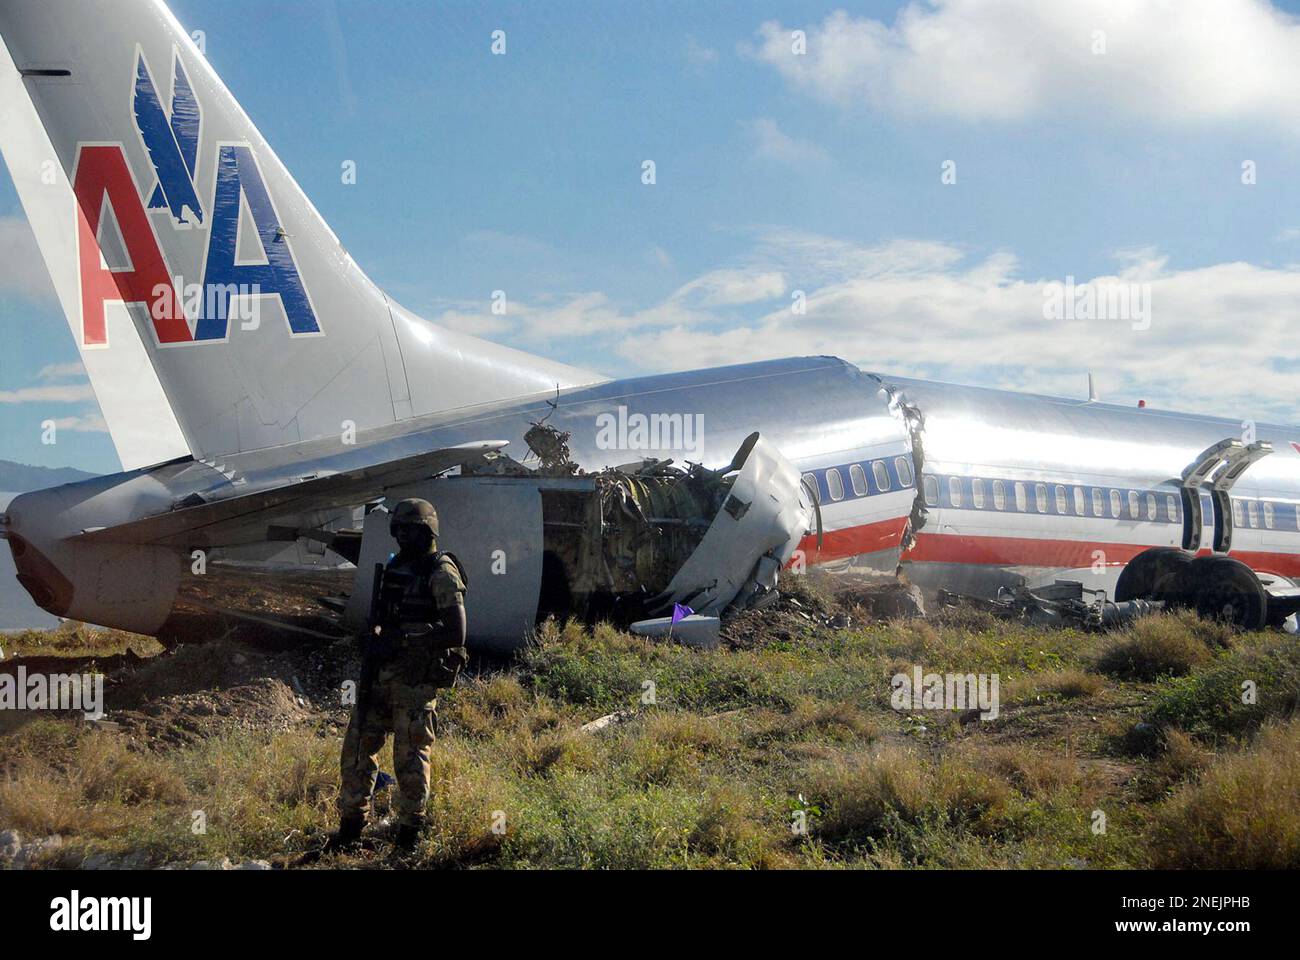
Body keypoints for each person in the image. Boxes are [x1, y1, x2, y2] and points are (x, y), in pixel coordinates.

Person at [330, 498, 467, 850]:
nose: (402, 536)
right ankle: (351, 825)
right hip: (381, 670)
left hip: (414, 678)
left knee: (409, 757)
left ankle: (409, 833)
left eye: (410, 529)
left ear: (426, 531)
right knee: (359, 747)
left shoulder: (441, 571)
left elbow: (456, 633)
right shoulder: (396, 567)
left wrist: (404, 639)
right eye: (399, 530)